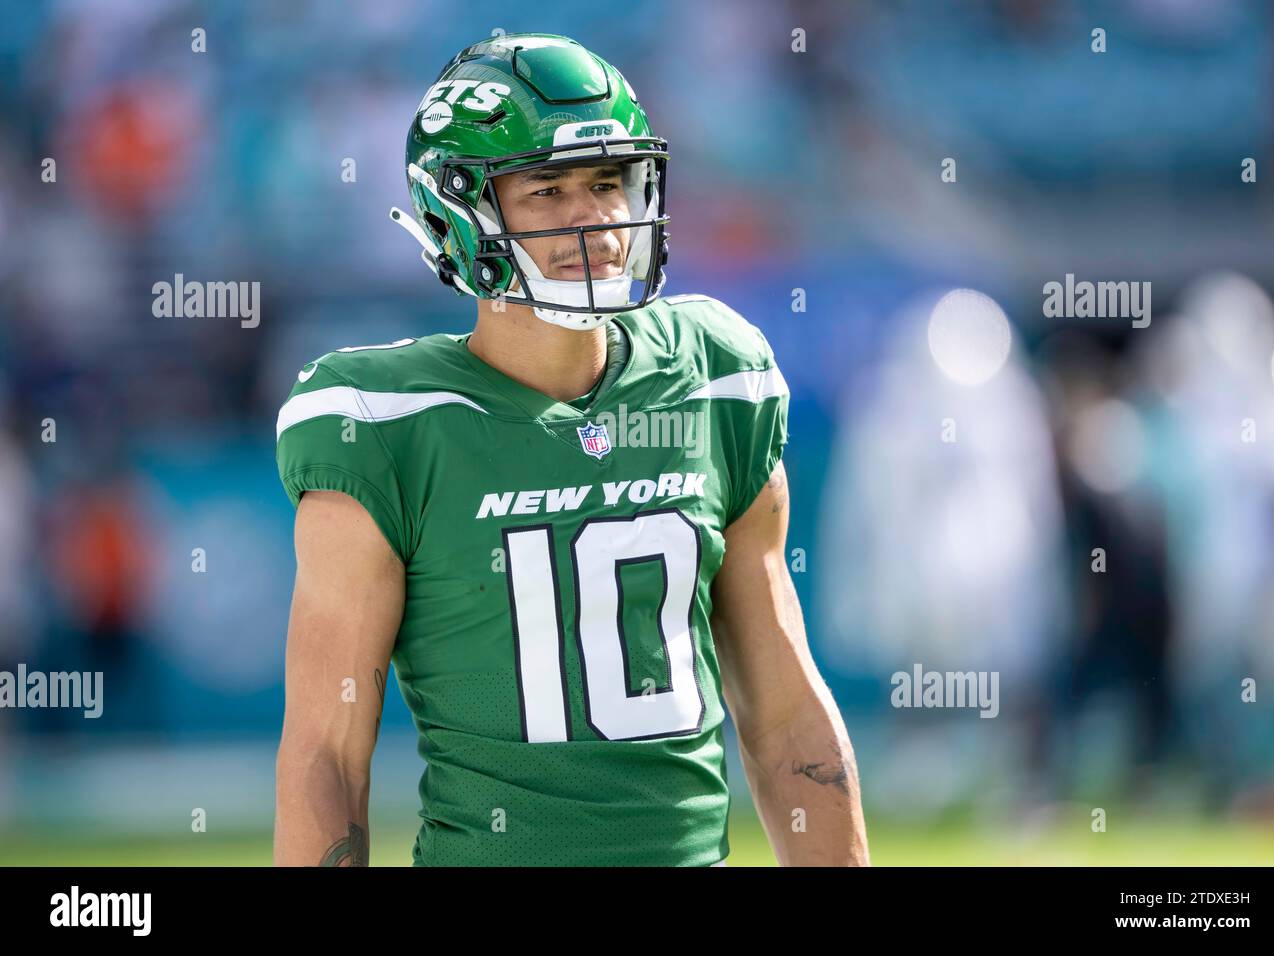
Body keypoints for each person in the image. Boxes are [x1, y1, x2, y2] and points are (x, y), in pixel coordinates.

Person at [272, 33, 867, 867]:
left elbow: (783, 711)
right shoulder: (383, 425)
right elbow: (327, 756)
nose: (593, 218)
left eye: (606, 182)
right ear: (461, 209)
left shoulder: (715, 378)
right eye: (547, 190)